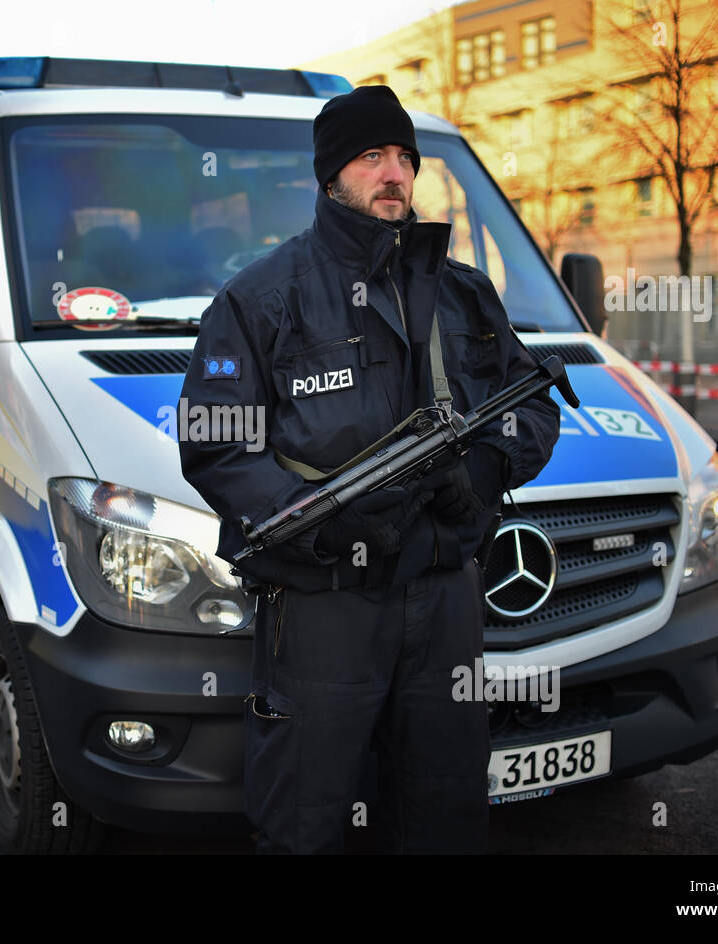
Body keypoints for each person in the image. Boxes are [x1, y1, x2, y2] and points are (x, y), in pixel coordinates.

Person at [178, 85, 561, 854]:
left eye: (403, 159)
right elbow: (215, 440)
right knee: (306, 818)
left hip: (446, 603)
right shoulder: (261, 299)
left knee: (445, 811)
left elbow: (533, 406)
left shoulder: (462, 293)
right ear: (330, 178)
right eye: (370, 157)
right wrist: (319, 517)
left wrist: (484, 472)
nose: (393, 174)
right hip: (325, 610)